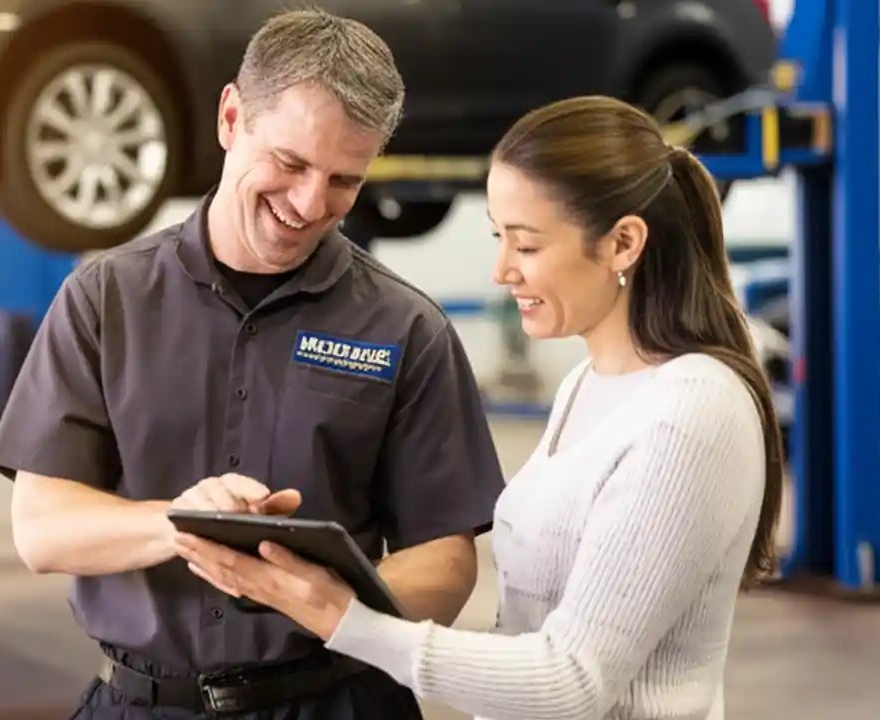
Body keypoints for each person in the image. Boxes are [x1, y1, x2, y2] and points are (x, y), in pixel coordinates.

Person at [176, 94, 787, 720]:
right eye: (499, 238)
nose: (501, 271)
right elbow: (528, 639)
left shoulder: (691, 414)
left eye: (525, 245)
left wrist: (343, 617)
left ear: (623, 243)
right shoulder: (587, 384)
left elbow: (573, 682)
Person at [0, 8, 507, 719]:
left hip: (337, 702)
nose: (309, 204)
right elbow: (42, 529)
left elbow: (446, 562)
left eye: (344, 181)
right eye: (290, 164)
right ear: (232, 118)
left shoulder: (405, 328)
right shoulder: (106, 299)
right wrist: (180, 523)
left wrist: (336, 608)